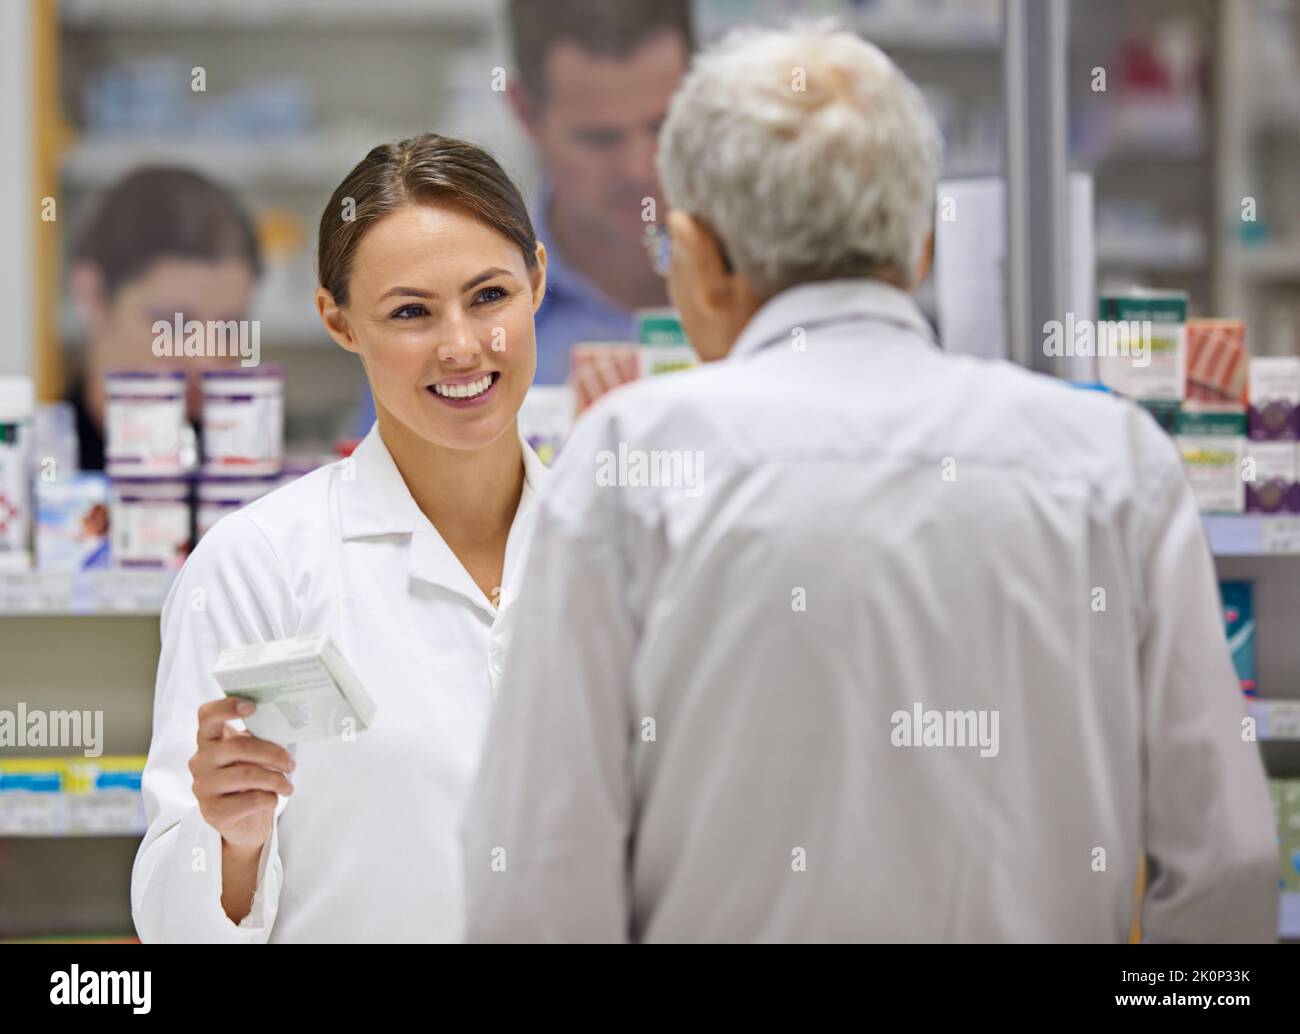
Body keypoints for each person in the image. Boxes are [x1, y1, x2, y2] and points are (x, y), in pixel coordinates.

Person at [462, 25, 1280, 942]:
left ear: (695, 253)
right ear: (924, 245)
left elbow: (535, 888)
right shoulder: (1110, 460)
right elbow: (1231, 866)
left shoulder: (630, 462)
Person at [131, 134, 550, 942]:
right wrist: (235, 842)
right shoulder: (259, 566)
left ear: (537, 279)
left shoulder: (619, 552)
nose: (461, 345)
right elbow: (174, 930)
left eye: (490, 295)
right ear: (338, 320)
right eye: (410, 312)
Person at [348, 1, 692, 435]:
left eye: (663, 126)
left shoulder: (764, 277)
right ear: (526, 112)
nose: (639, 168)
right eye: (599, 139)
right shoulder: (448, 293)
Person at [67, 167, 262, 469]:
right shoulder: (29, 472)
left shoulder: (249, 474)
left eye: (229, 327)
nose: (206, 359)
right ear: (92, 294)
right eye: (174, 324)